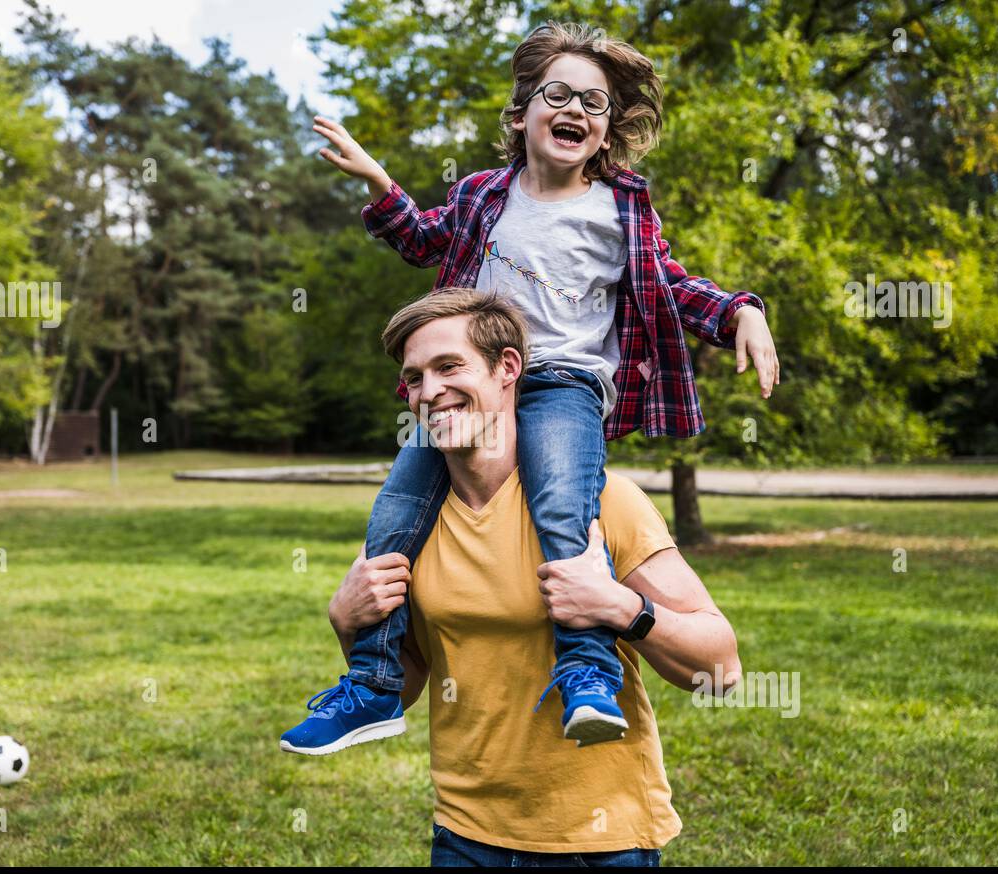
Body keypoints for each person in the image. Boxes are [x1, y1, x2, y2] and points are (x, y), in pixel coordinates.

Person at [281, 20, 774, 754]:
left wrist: (740, 310)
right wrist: (382, 184)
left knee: (561, 506)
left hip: (566, 384)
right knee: (394, 511)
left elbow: (670, 284)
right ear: (521, 116)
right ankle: (374, 686)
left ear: (605, 133)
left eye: (595, 102)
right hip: (478, 382)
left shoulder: (621, 209)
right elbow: (421, 239)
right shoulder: (486, 194)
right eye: (558, 93)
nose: (576, 108)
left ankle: (586, 674)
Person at [319, 291, 743, 864]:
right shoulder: (411, 524)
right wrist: (348, 624)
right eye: (414, 378)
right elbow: (410, 686)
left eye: (449, 367)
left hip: (601, 840)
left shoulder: (604, 506)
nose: (429, 392)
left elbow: (720, 671)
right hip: (465, 836)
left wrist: (621, 609)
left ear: (507, 369)